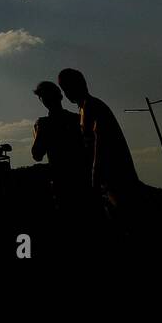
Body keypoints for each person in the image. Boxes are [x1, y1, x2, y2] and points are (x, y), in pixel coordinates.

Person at [58, 67, 141, 223]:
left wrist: (95, 176)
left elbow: (100, 142)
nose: (65, 93)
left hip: (115, 175)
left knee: (128, 217)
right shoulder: (85, 108)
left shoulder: (91, 106)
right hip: (109, 177)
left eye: (66, 88)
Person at [30, 80, 87, 213]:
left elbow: (37, 155)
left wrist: (38, 131)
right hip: (82, 180)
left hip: (63, 182)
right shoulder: (77, 119)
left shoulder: (44, 124)